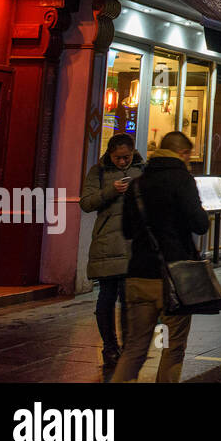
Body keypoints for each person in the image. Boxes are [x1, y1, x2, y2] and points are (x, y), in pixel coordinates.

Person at [111, 131, 208, 383]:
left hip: (139, 276)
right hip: (174, 278)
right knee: (172, 347)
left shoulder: (137, 184)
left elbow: (127, 231)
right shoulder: (183, 180)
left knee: (135, 347)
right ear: (183, 153)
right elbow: (200, 224)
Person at [80, 133, 144, 380]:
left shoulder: (142, 170)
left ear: (132, 153)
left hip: (134, 243)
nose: (122, 162)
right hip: (108, 243)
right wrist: (110, 191)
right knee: (107, 296)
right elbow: (86, 203)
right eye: (118, 158)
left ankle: (128, 346)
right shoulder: (98, 172)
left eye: (126, 157)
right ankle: (110, 346)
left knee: (129, 298)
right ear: (110, 154)